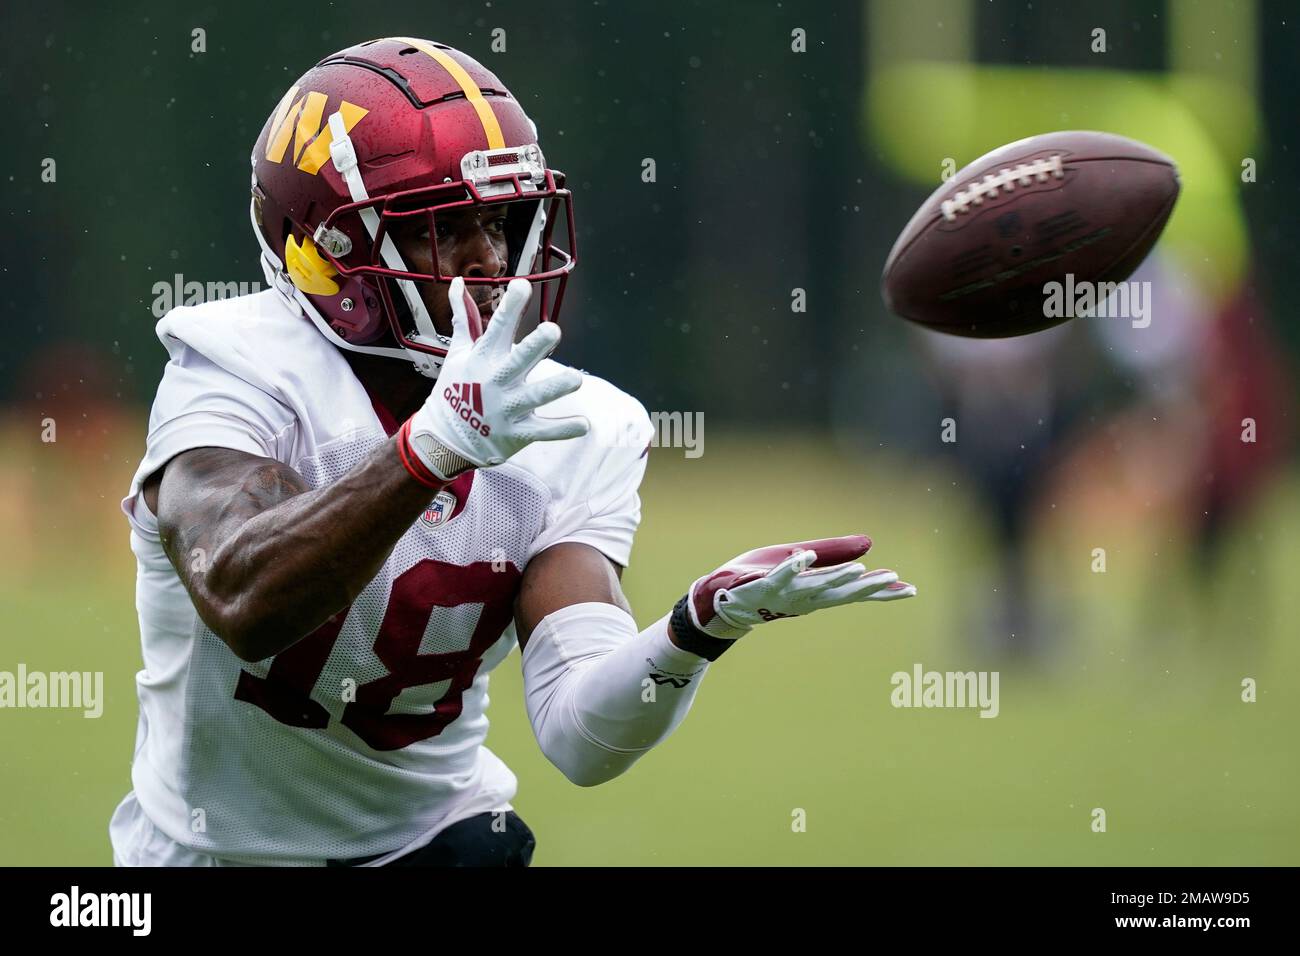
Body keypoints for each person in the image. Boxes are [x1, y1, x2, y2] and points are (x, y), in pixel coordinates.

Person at [109, 37, 916, 867]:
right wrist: (433, 446)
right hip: (212, 855)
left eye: (495, 221)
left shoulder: (577, 423)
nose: (489, 260)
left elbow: (580, 737)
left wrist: (694, 629)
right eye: (441, 229)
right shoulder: (235, 370)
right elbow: (244, 595)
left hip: (434, 847)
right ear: (329, 253)